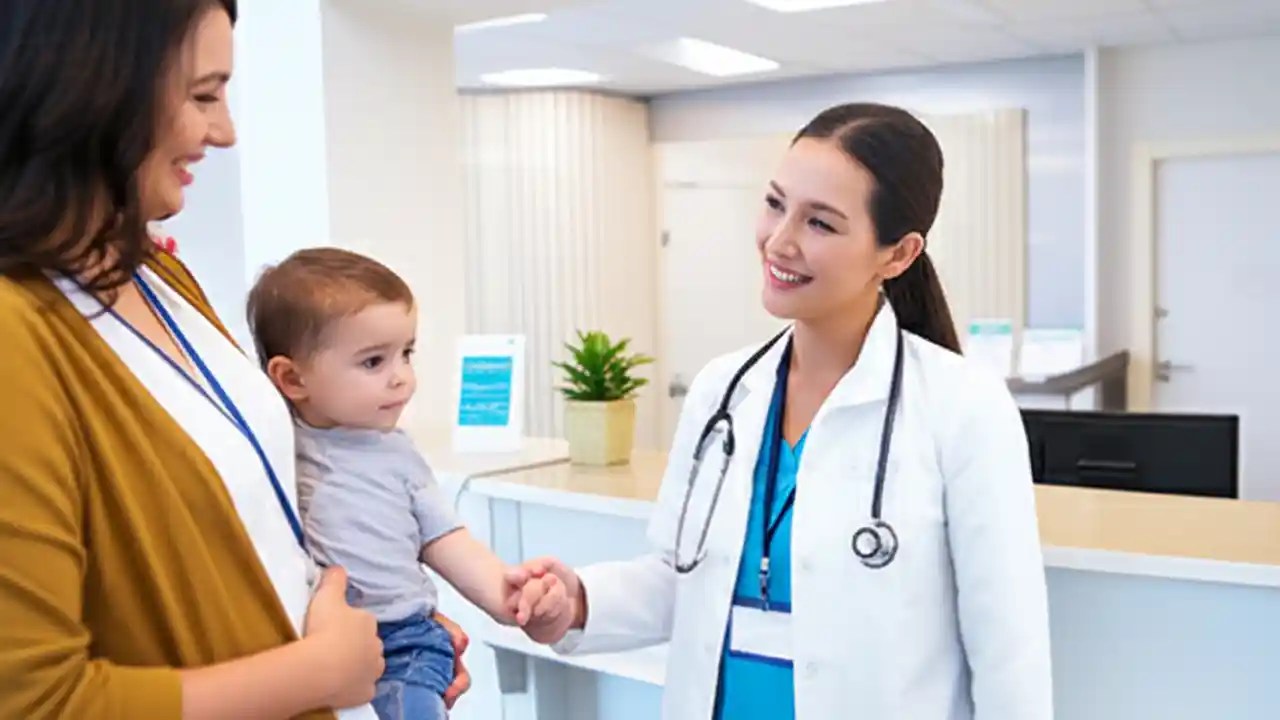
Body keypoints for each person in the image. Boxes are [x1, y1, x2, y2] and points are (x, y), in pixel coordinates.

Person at [507, 102, 1055, 719]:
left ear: (897, 255)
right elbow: (684, 579)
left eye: (820, 223)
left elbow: (1009, 650)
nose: (780, 240)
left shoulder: (963, 407)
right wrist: (578, 602)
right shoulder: (723, 390)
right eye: (775, 204)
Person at [0, 2, 469, 718]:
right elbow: (37, 702)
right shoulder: (17, 330)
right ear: (91, 89)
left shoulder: (157, 276)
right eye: (203, 95)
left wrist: (381, 628)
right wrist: (316, 672)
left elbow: (241, 526)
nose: (224, 131)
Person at [246, 248, 567, 720]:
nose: (402, 379)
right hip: (306, 641)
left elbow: (445, 539)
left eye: (406, 354)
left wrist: (508, 595)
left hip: (404, 639)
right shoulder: (274, 446)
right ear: (292, 378)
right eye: (374, 362)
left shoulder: (397, 455)